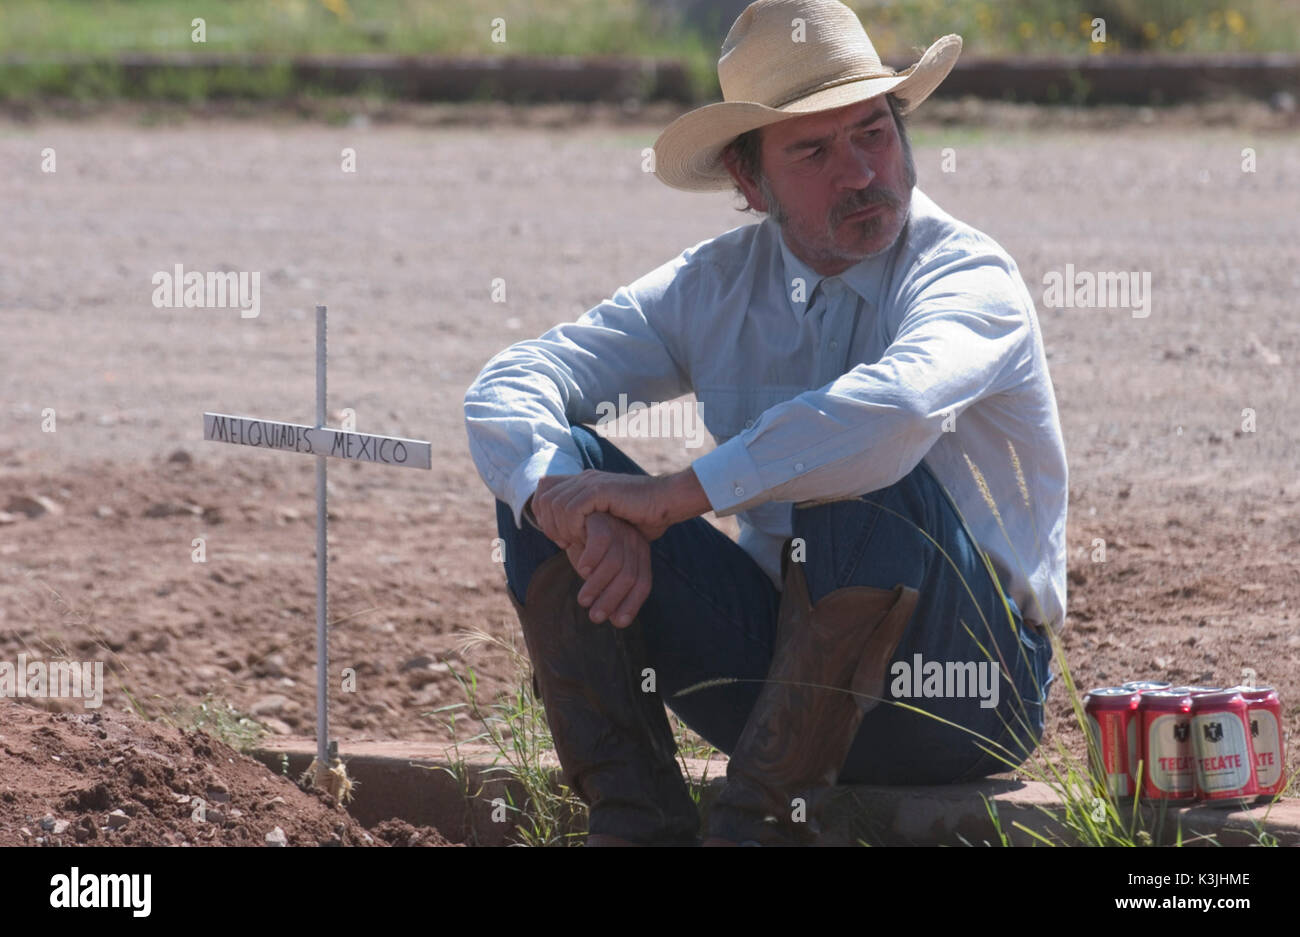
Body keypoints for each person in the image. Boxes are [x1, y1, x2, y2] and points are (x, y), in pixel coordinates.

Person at [463, 0, 1067, 846]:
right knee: (551, 479)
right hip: (776, 688)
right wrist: (560, 500)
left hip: (962, 694)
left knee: (865, 475)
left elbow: (894, 407)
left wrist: (676, 495)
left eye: (872, 132)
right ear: (750, 184)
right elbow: (513, 379)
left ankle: (753, 830)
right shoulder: (713, 287)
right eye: (814, 151)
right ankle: (636, 821)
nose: (860, 172)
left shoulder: (967, 275)